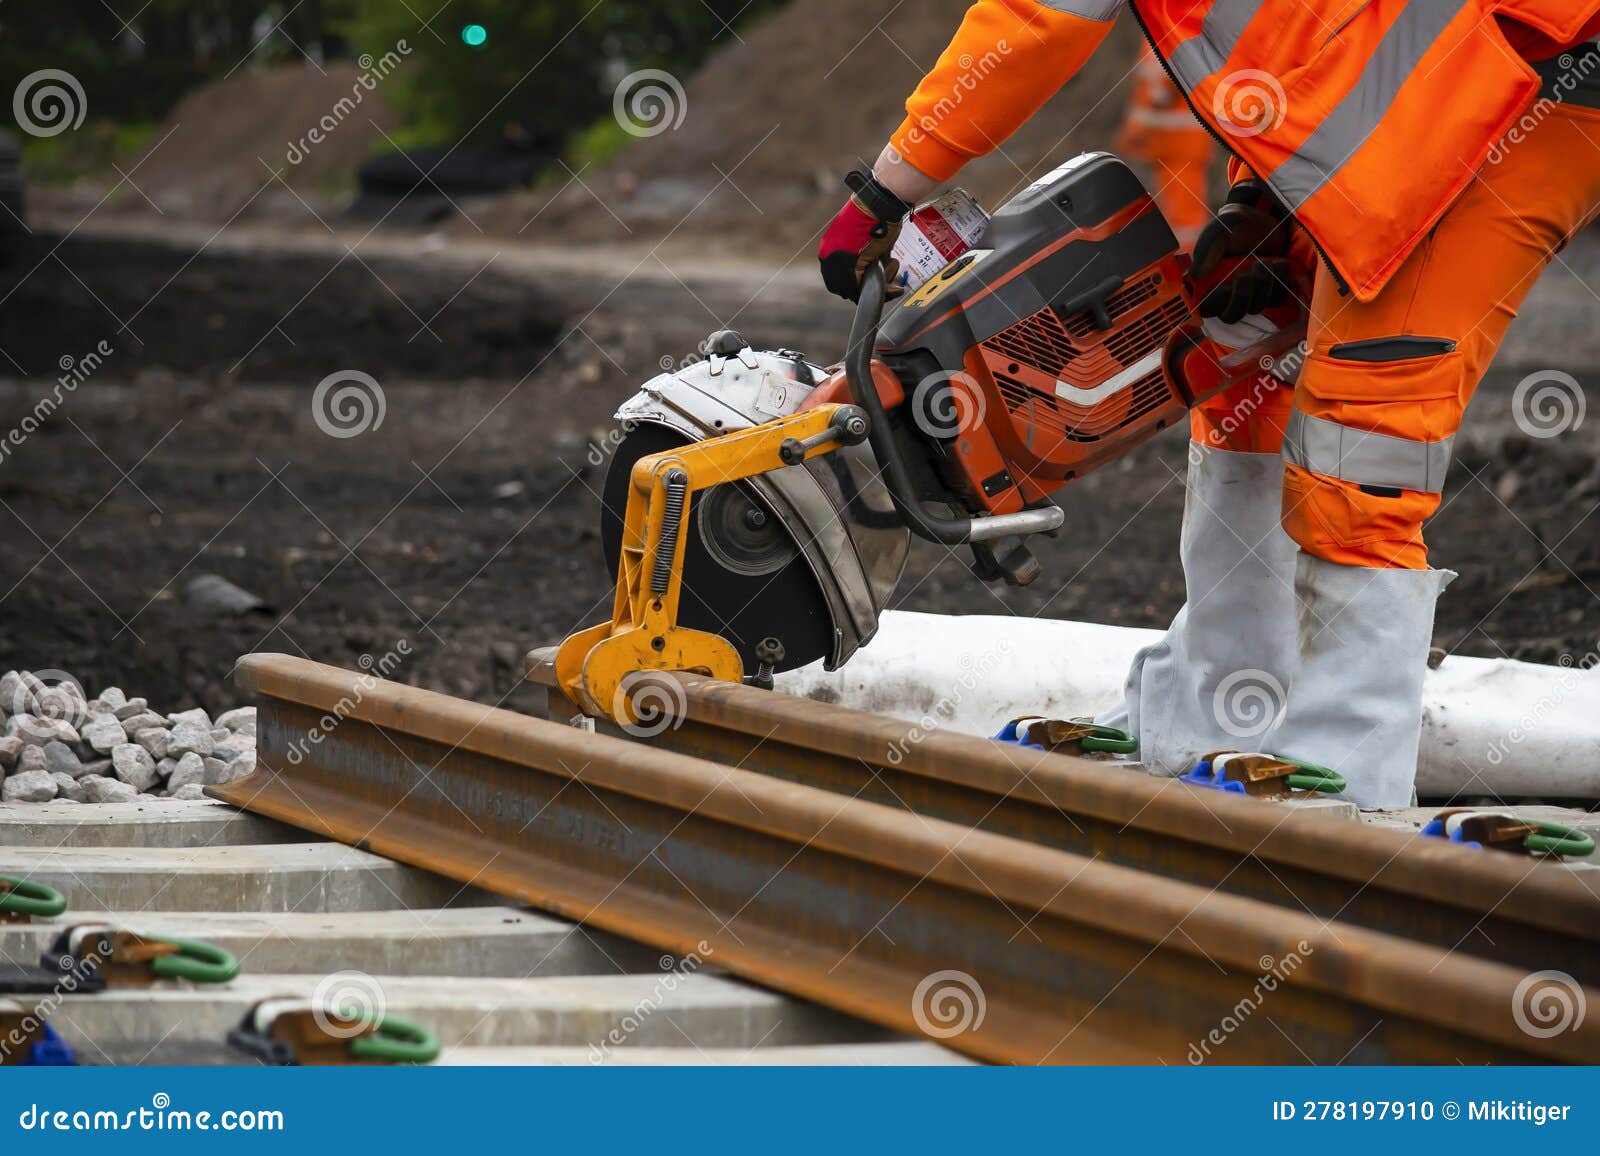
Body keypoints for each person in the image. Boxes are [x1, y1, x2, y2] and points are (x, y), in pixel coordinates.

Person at [817, 1, 1600, 808]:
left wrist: (886, 190)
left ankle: (1346, 759)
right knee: (1243, 371)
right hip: (1396, 104)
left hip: (1511, 94)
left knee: (1364, 431)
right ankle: (1217, 702)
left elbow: (1036, 18)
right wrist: (1268, 194)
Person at [1115, 44, 1215, 248]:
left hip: (1180, 143)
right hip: (1169, 143)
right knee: (1176, 211)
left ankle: (1192, 268)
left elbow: (1162, 90)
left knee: (1184, 215)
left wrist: (1135, 131)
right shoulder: (1161, 31)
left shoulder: (1169, 32)